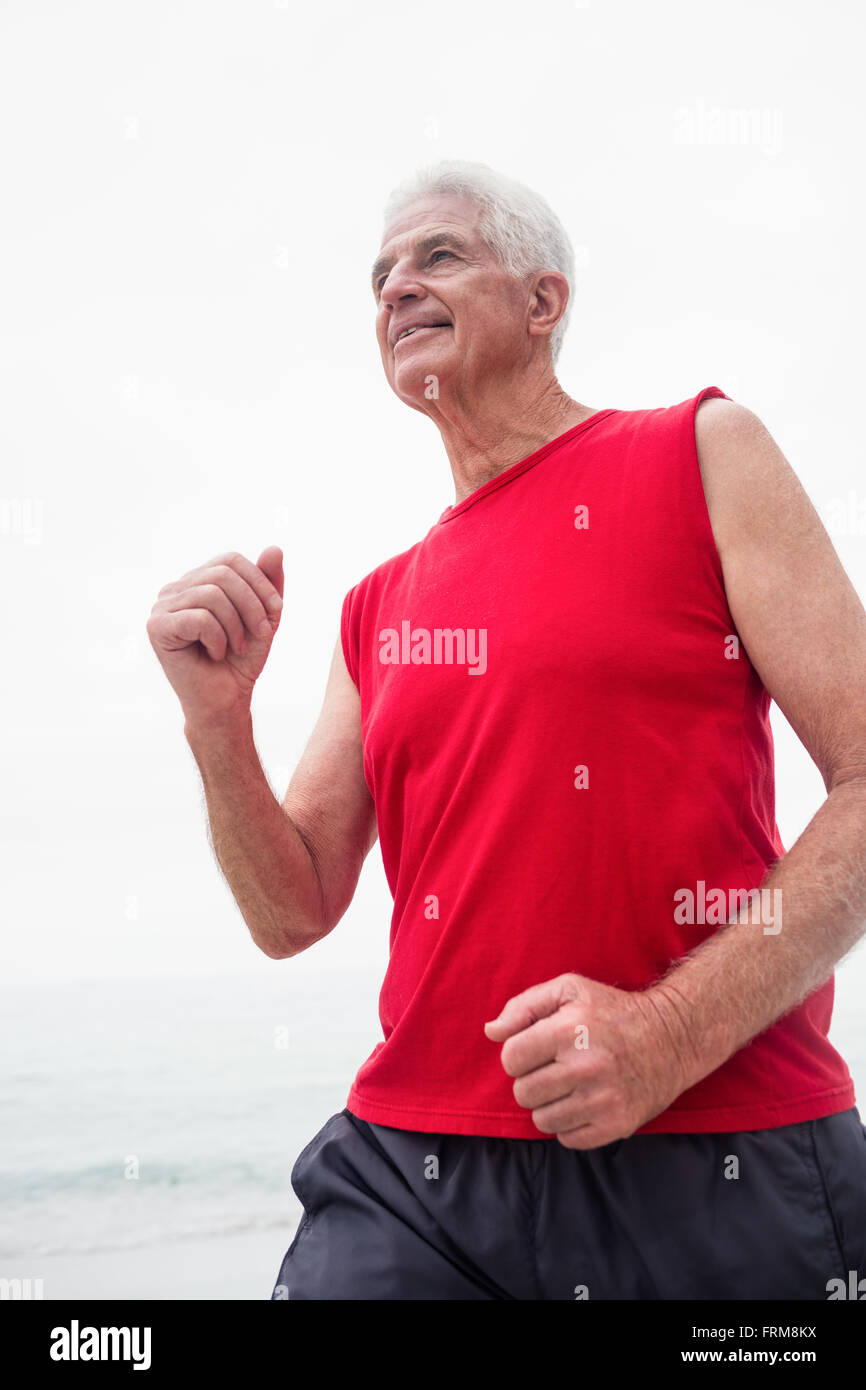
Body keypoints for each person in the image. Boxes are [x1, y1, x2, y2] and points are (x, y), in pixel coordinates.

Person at [147, 160, 866, 1300]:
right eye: (377, 275)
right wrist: (214, 723)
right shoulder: (376, 605)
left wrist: (664, 1035)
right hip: (412, 1175)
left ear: (543, 301)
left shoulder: (699, 451)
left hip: (717, 1146)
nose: (393, 289)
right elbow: (290, 909)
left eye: (436, 256)